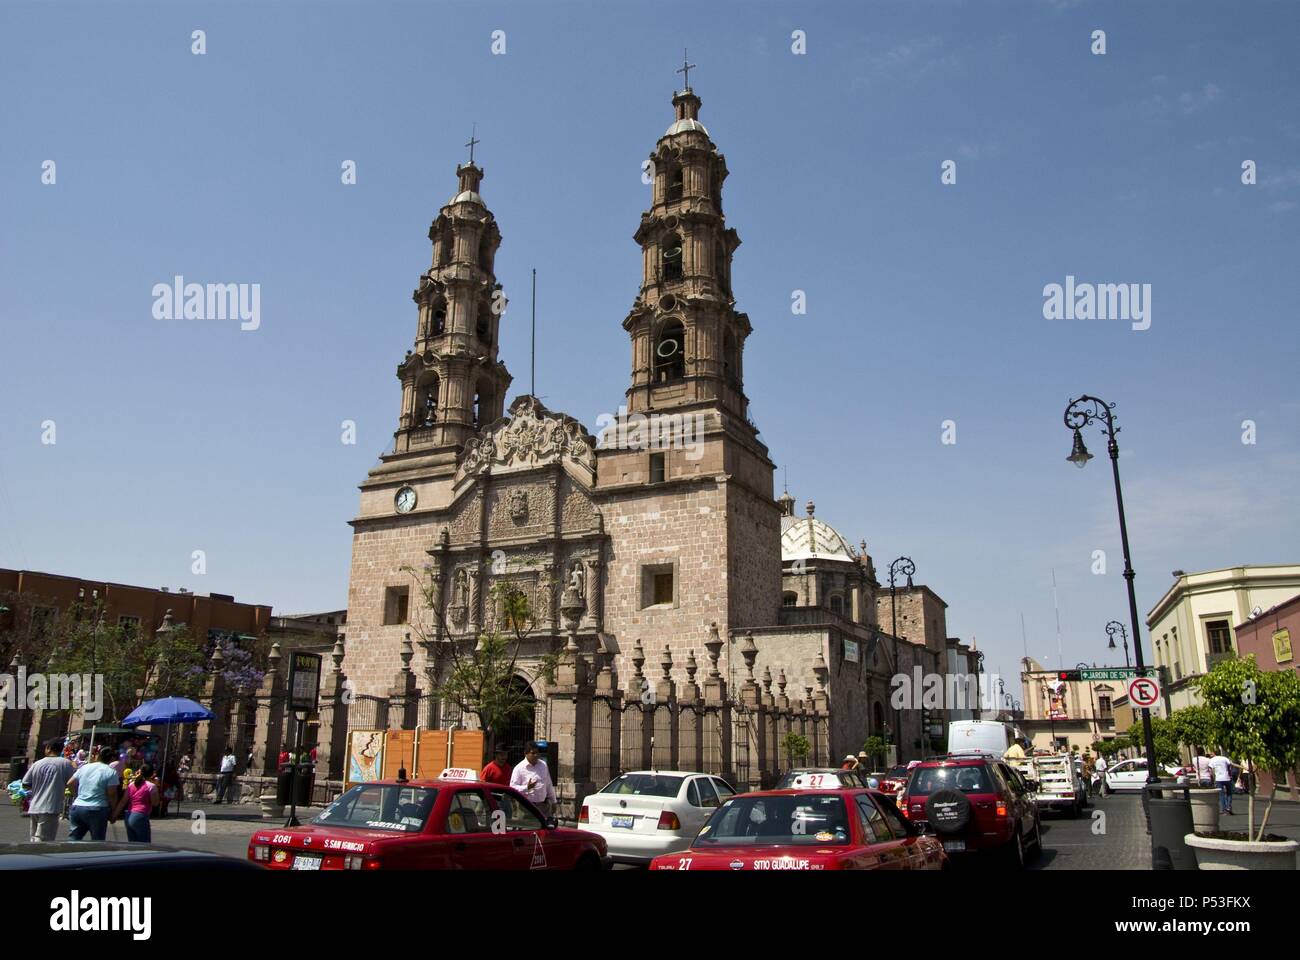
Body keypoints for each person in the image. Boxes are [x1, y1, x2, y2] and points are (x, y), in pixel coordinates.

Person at [22, 743, 76, 842]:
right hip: (51, 807)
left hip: (35, 806)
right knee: (43, 841)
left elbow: (25, 783)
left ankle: (32, 856)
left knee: (34, 838)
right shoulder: (66, 763)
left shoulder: (37, 763)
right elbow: (72, 782)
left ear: (49, 748)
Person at [67, 746, 122, 841]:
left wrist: (76, 795)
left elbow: (70, 783)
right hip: (97, 808)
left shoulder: (85, 767)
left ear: (98, 756)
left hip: (78, 806)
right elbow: (112, 794)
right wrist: (113, 811)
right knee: (97, 840)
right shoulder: (111, 772)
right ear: (112, 758)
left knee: (74, 838)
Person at [114, 763, 159, 842]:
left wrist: (114, 814)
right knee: (144, 844)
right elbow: (155, 803)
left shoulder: (131, 784)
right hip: (141, 815)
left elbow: (123, 801)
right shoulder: (151, 786)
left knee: (132, 844)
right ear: (152, 774)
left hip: (129, 815)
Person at [510, 741, 557, 816]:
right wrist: (526, 787)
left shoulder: (543, 765)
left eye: (537, 753)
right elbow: (512, 788)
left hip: (543, 807)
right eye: (533, 753)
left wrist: (553, 801)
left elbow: (548, 784)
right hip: (526, 807)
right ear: (526, 753)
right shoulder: (519, 768)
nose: (536, 755)